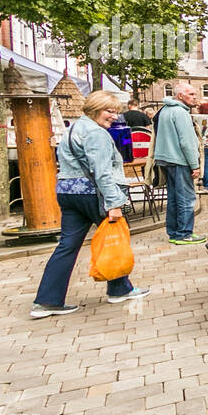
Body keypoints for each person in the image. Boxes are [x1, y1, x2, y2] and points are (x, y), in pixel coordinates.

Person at [31, 90, 150, 316]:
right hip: (91, 193)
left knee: (67, 246)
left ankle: (47, 300)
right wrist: (114, 203)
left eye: (115, 112)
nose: (114, 116)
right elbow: (102, 172)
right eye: (109, 111)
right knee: (114, 237)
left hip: (67, 191)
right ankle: (119, 289)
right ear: (94, 109)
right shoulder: (96, 134)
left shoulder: (72, 128)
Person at [153, 81, 204, 245]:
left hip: (166, 159)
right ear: (180, 95)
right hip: (180, 160)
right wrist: (194, 164)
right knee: (186, 198)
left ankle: (174, 232)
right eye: (191, 94)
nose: (194, 97)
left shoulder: (165, 110)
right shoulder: (181, 113)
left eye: (195, 94)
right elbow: (187, 142)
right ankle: (184, 233)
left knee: (174, 198)